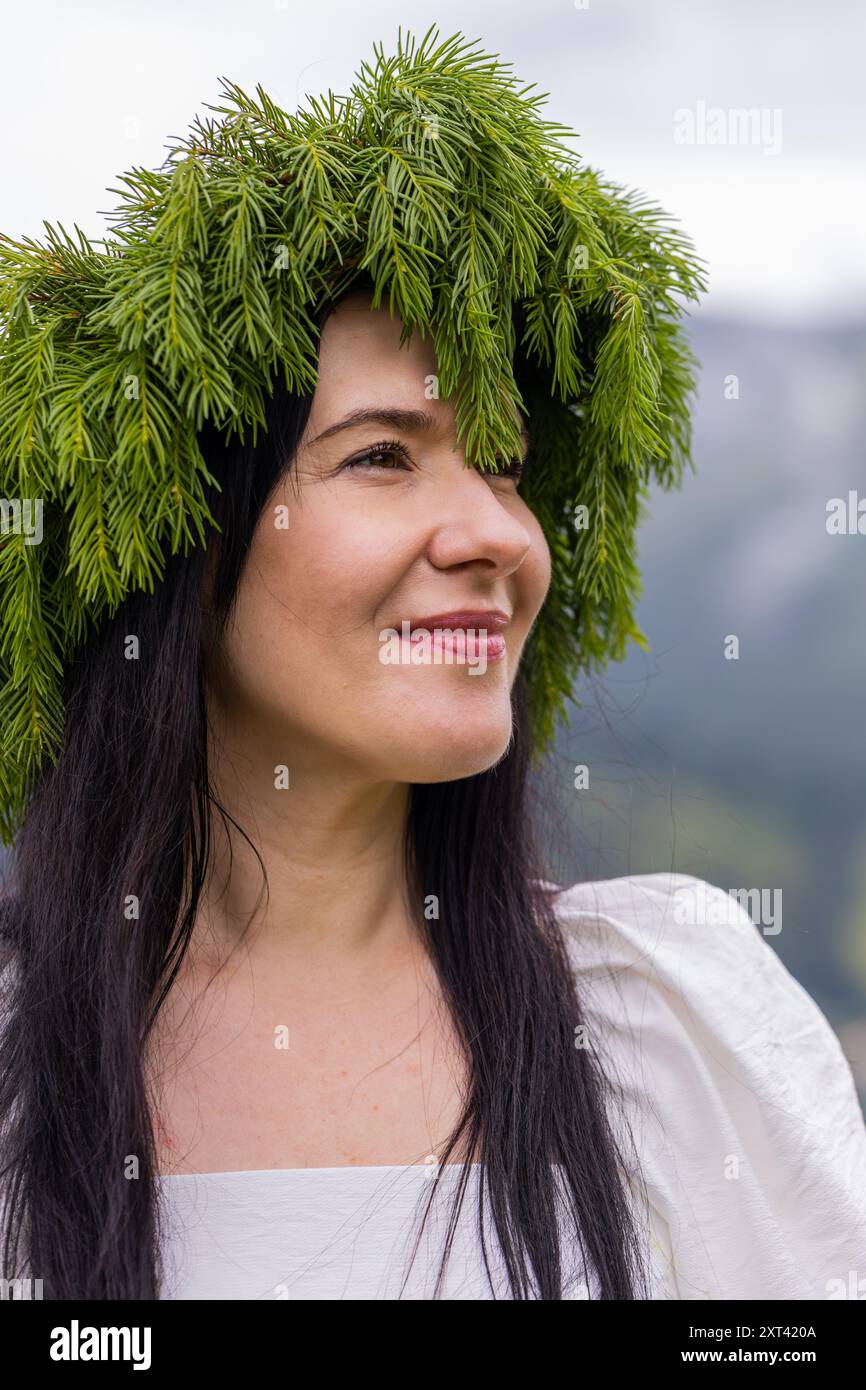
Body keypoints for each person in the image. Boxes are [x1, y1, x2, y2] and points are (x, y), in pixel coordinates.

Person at [1, 30, 864, 1301]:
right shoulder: (25, 1056)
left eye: (502, 465)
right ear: (182, 546)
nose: (497, 536)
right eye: (382, 456)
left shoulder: (662, 1030)